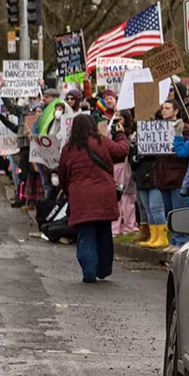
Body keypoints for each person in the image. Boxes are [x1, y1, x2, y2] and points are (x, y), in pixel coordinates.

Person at [57, 112, 130, 283]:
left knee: (86, 234)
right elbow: (122, 150)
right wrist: (120, 134)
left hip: (80, 196)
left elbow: (62, 173)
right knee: (104, 232)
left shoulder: (68, 148)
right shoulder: (101, 141)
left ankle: (89, 271)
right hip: (104, 195)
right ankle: (103, 269)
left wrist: (68, 191)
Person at [151, 99, 189, 249]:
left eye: (168, 108)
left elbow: (185, 151)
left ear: (176, 111)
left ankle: (182, 241)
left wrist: (178, 135)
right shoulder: (157, 128)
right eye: (163, 108)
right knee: (170, 212)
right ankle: (175, 239)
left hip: (177, 177)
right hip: (163, 176)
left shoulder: (184, 128)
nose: (164, 111)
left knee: (179, 211)